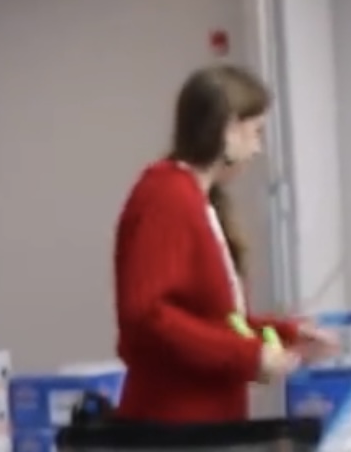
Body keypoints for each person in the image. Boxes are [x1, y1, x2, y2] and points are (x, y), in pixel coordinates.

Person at [111, 63, 337, 423]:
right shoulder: (166, 196)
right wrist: (250, 357)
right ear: (228, 130)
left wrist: (286, 334)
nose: (259, 148)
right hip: (174, 429)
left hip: (206, 425)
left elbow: (222, 324)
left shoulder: (197, 199)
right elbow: (149, 317)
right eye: (256, 132)